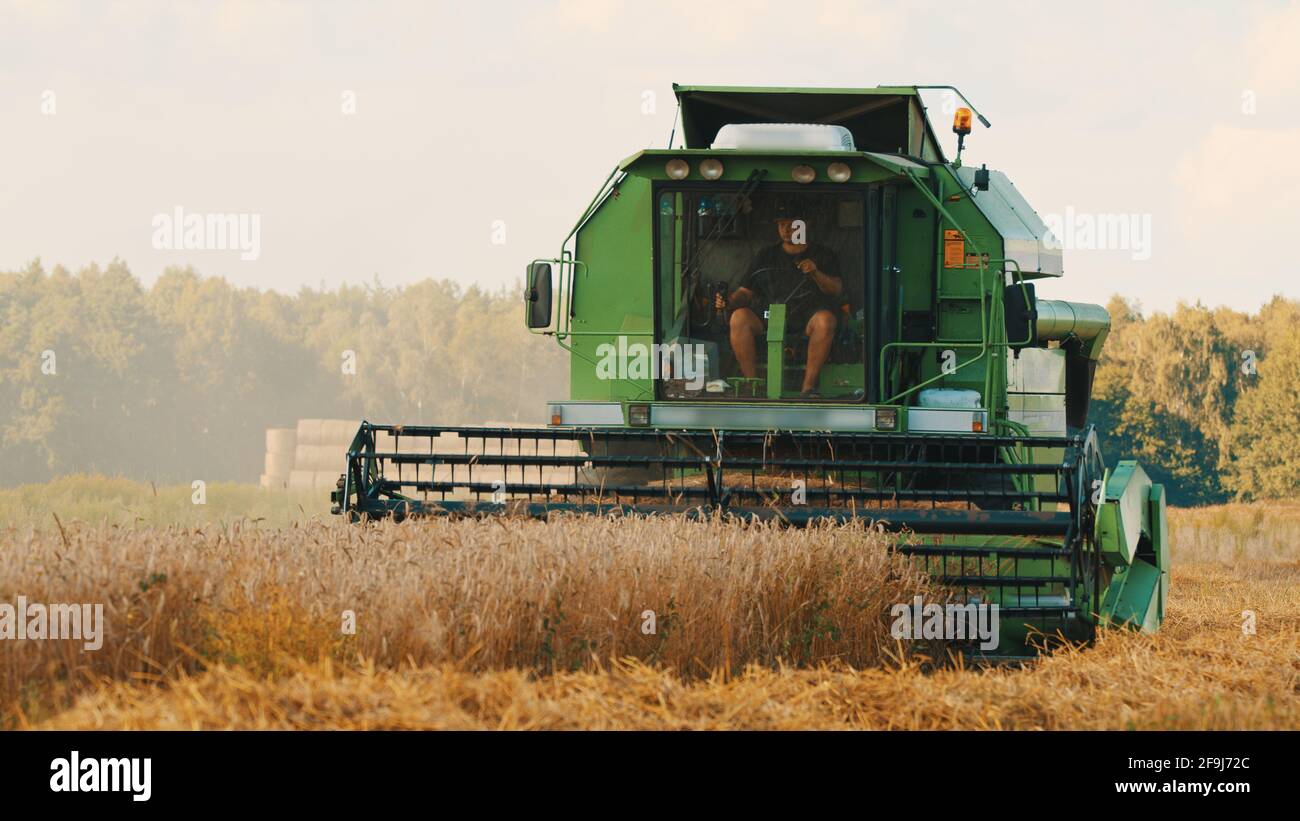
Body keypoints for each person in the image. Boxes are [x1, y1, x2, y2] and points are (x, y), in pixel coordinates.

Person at [716, 207, 843, 398]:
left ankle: (808, 389)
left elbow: (836, 289)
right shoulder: (765, 255)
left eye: (792, 224)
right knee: (739, 317)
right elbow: (745, 292)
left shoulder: (824, 254)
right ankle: (753, 386)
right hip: (768, 315)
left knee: (826, 320)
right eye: (781, 224)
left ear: (806, 225)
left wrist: (816, 273)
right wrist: (728, 301)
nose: (786, 229)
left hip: (808, 317)